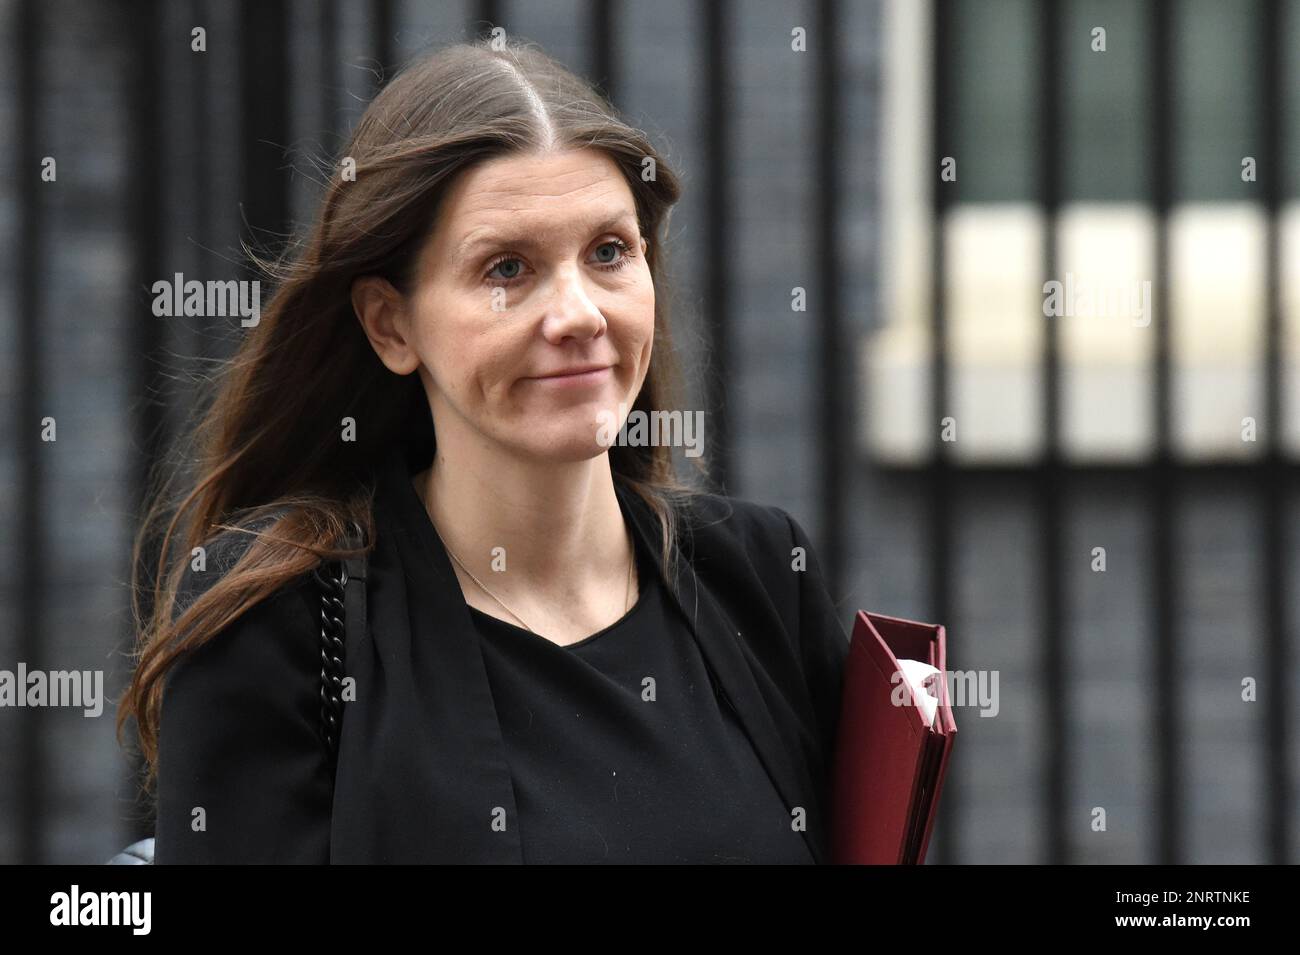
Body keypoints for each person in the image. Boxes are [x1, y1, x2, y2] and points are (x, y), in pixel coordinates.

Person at [118, 36, 849, 864]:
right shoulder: (279, 623)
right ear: (391, 325)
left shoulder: (758, 574)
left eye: (609, 252)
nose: (578, 314)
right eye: (507, 268)